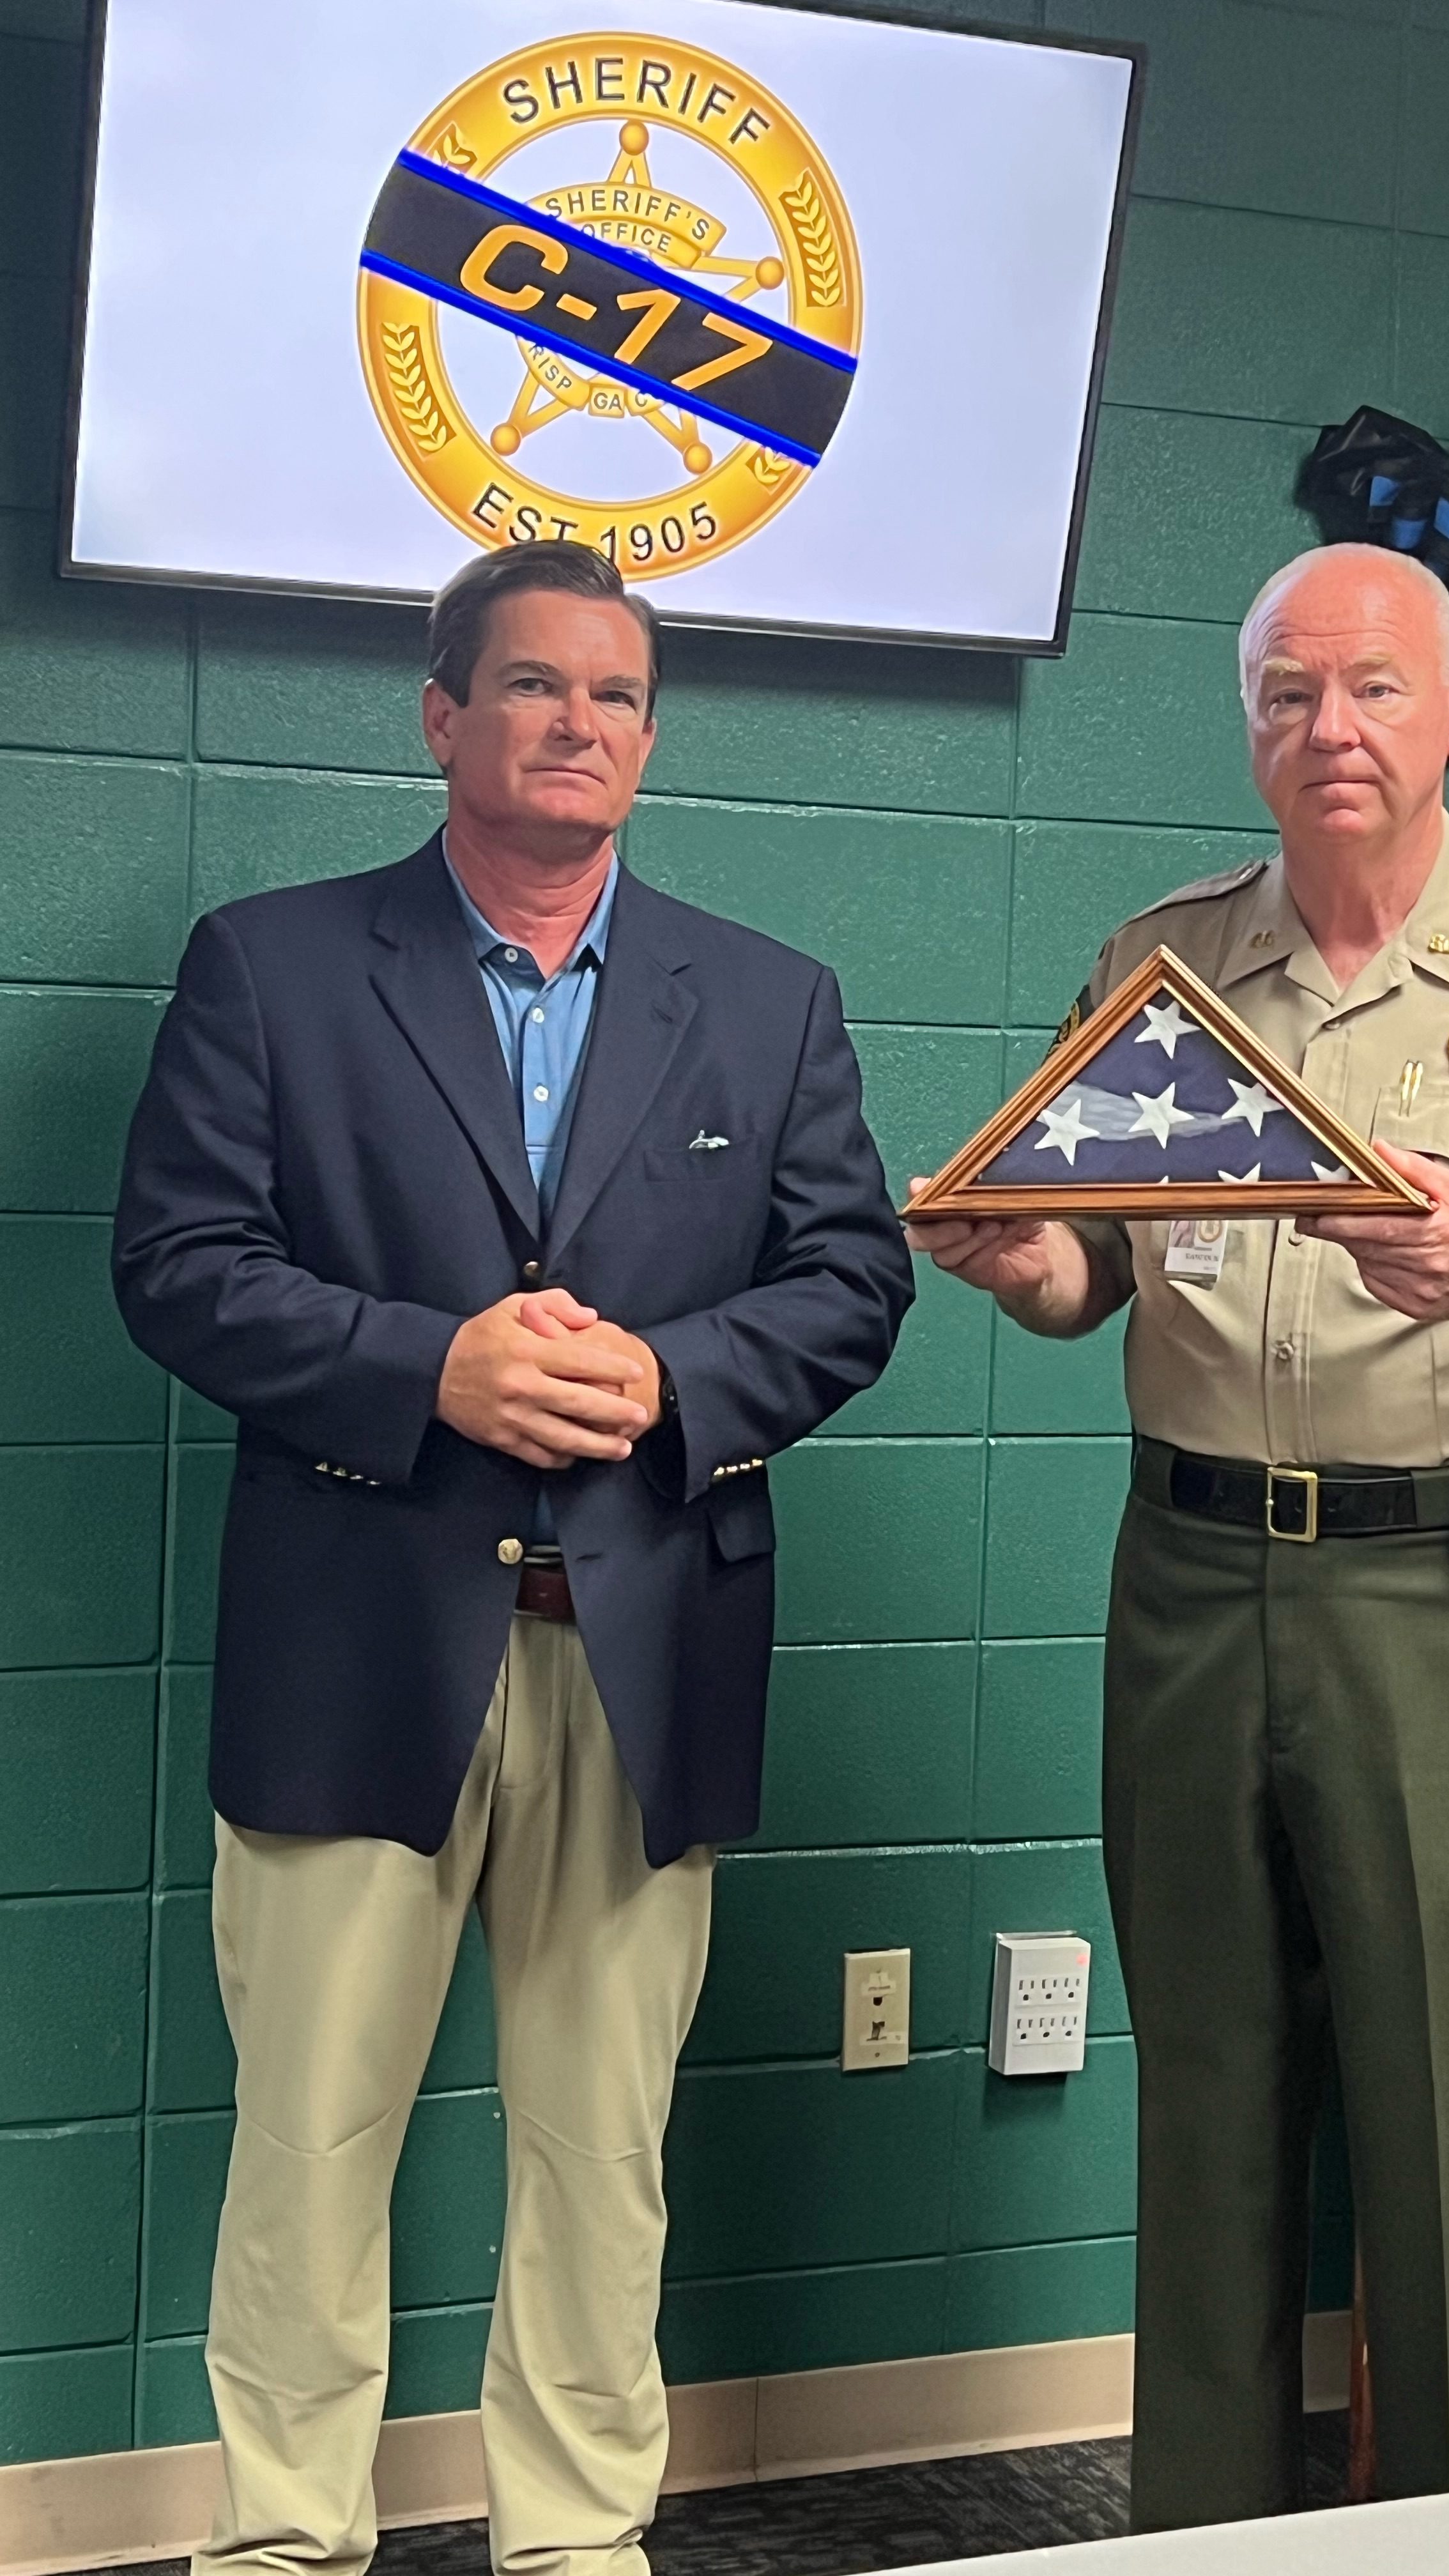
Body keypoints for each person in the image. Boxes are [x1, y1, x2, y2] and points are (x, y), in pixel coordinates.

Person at [908, 542, 1449, 2525]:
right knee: (1206, 2114)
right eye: (1289, 695)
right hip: (1193, 1589)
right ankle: (1195, 2546)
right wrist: (1017, 1259)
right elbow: (1083, 1292)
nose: (1330, 730)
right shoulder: (1161, 970)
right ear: (1251, 727)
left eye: (1372, 689)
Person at [114, 539, 913, 2575]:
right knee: (307, 2147)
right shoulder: (272, 965)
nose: (580, 727)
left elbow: (850, 1279)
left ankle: (573, 2541)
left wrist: (667, 1379)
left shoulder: (765, 997)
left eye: (619, 697)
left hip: (643, 1650)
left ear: (650, 739)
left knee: (602, 2154)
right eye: (537, 687)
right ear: (444, 716)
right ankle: (287, 2540)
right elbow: (181, 1270)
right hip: (359, 1647)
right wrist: (429, 1368)